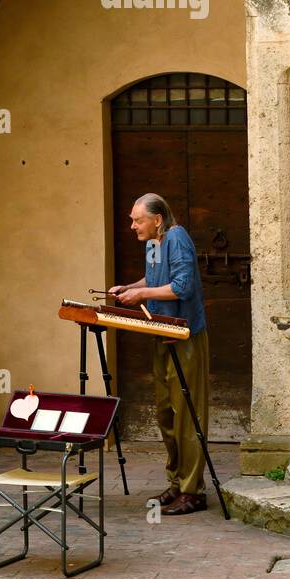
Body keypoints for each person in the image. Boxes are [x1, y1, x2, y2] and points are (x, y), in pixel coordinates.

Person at [110, 194, 209, 516]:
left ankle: (193, 490)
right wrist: (130, 287)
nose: (132, 226)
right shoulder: (153, 243)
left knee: (187, 412)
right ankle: (177, 481)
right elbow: (154, 282)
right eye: (132, 219)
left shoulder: (177, 238)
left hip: (184, 336)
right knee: (166, 413)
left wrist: (142, 294)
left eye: (137, 220)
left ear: (157, 219)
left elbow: (182, 287)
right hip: (161, 335)